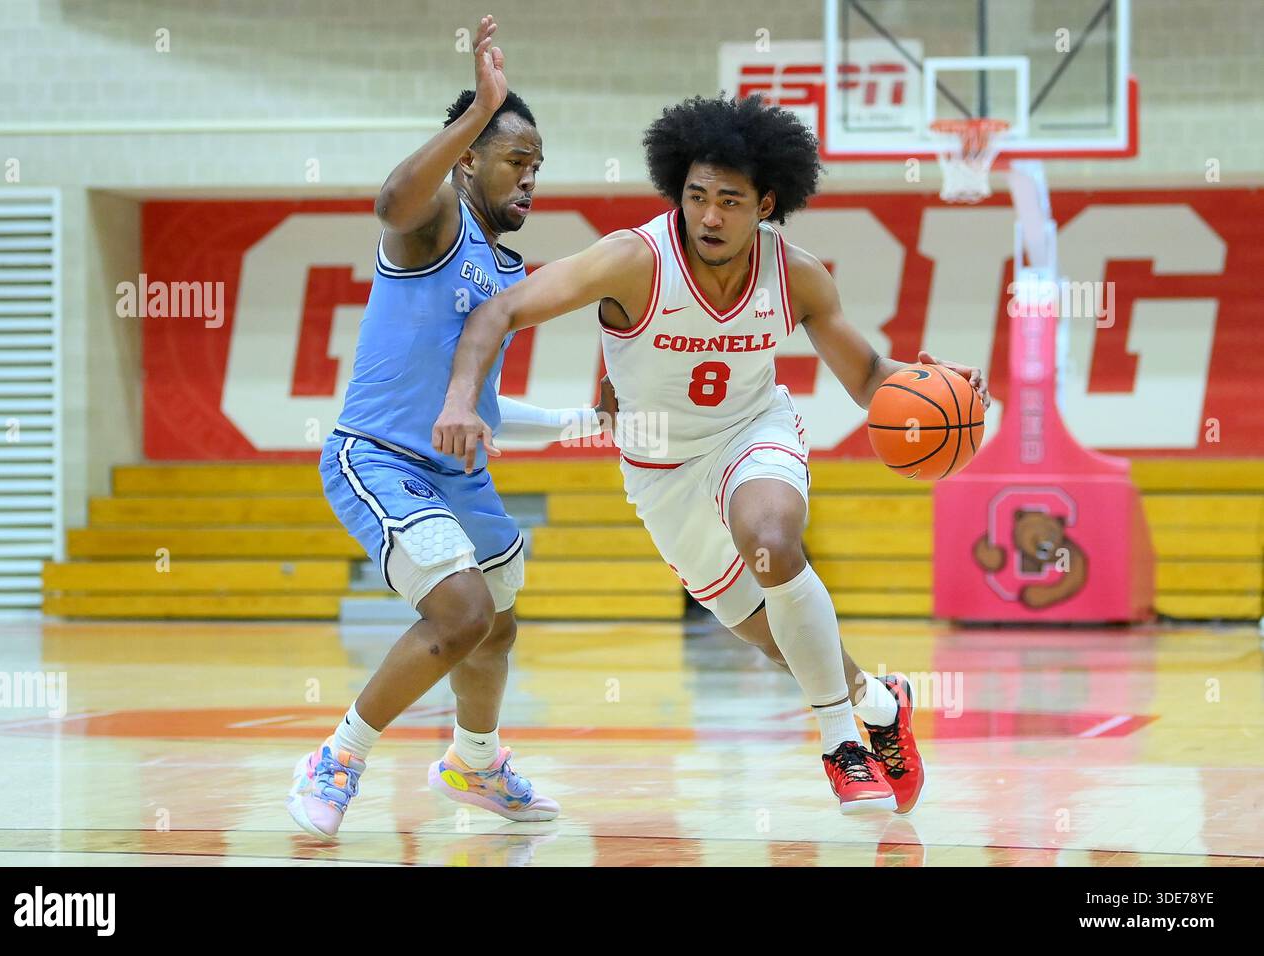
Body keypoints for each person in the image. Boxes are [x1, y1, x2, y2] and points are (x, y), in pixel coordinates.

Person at [434, 94, 991, 814]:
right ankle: (880, 705)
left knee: (771, 541)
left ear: (766, 202)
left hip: (751, 430)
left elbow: (866, 378)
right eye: (696, 196)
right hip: (659, 464)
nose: (710, 216)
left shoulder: (798, 275)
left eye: (730, 200)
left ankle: (839, 743)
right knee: (772, 637)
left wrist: (940, 390)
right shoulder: (632, 259)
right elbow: (498, 311)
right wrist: (458, 398)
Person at [288, 15, 608, 839]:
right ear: (469, 160)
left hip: (455, 471)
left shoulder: (506, 269)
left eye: (538, 167)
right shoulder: (434, 226)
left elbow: (483, 409)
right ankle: (339, 756)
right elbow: (389, 200)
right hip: (379, 457)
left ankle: (476, 759)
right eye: (516, 161)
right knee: (463, 611)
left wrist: (586, 421)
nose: (531, 180)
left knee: (498, 621)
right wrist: (478, 109)